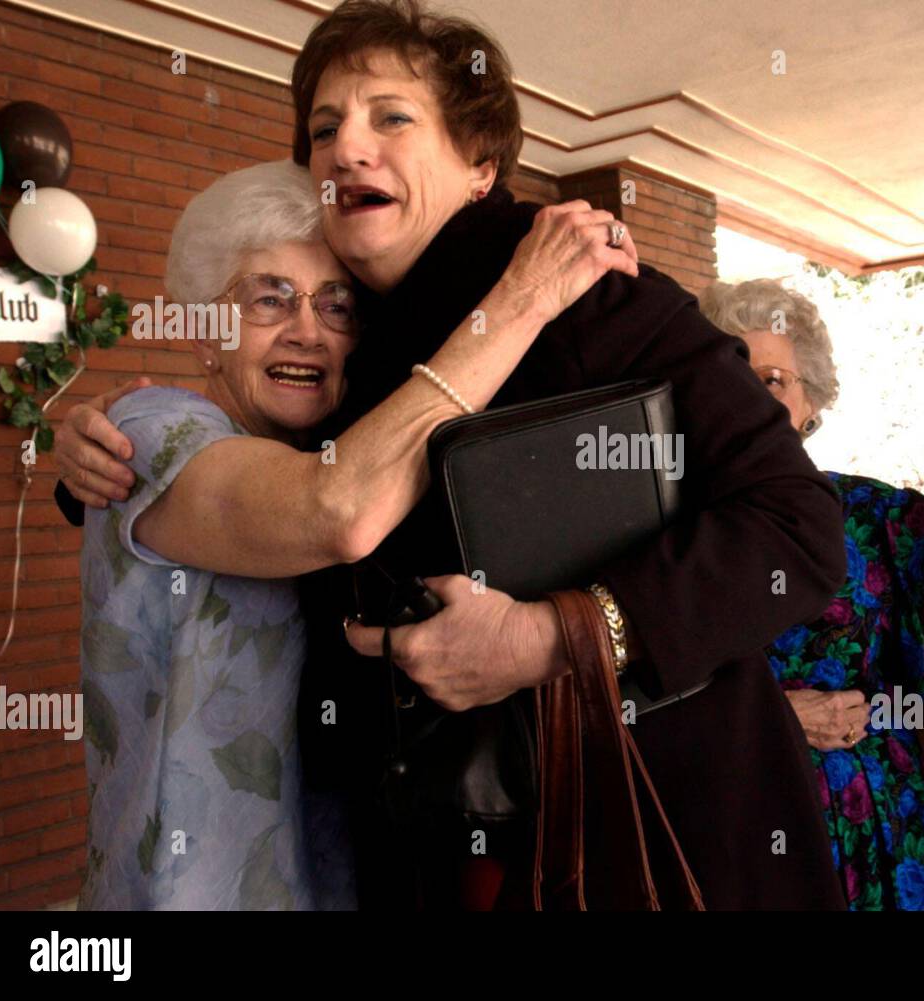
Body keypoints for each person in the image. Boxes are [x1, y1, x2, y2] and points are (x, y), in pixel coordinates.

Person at [56, 0, 847, 910]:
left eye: (391, 117)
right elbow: (278, 490)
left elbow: (798, 529)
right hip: (412, 856)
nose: (346, 148)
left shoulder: (584, 283)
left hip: (652, 835)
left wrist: (556, 636)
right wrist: (110, 454)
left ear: (481, 165)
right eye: (324, 128)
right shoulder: (343, 343)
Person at [74, 158, 629, 909]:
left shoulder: (334, 448)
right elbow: (333, 511)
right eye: (271, 300)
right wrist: (525, 297)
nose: (308, 331)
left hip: (331, 874)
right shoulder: (154, 427)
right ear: (204, 333)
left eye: (336, 308)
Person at [701, 280, 924, 910]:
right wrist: (771, 718)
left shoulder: (885, 519)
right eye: (726, 372)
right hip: (730, 827)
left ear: (810, 402)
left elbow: (921, 701)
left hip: (884, 832)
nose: (747, 395)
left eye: (772, 379)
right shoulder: (662, 531)